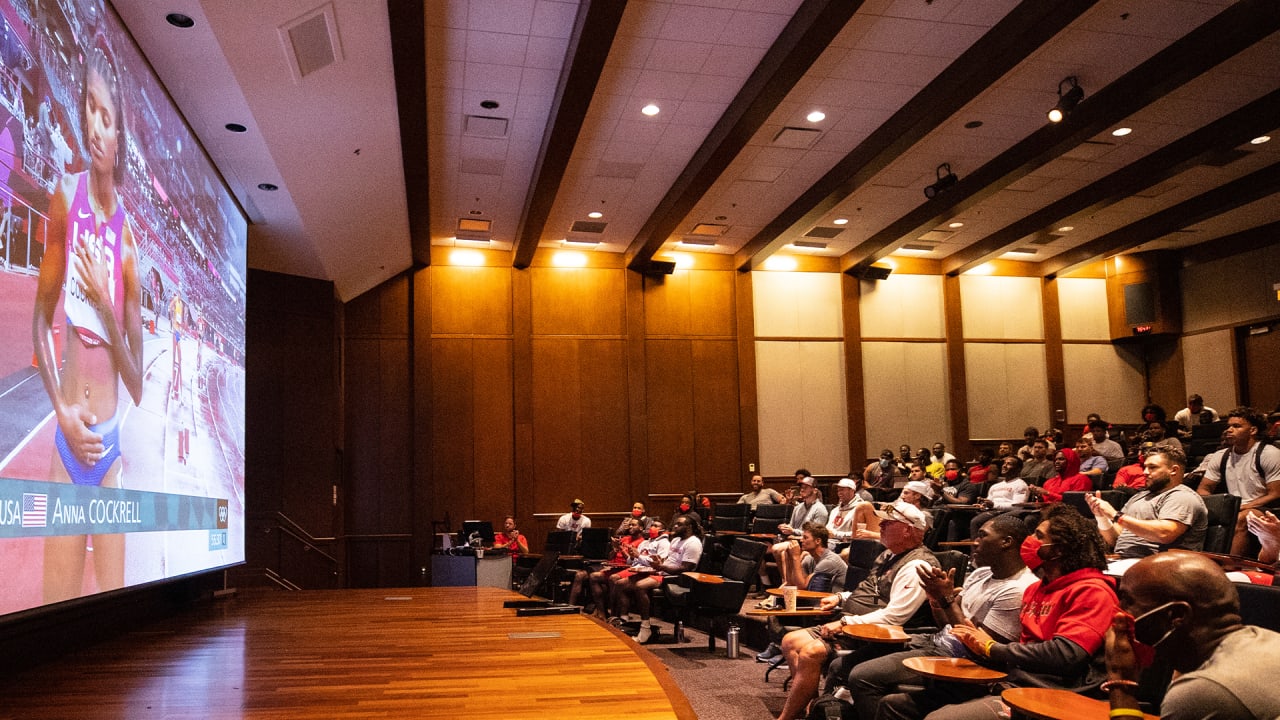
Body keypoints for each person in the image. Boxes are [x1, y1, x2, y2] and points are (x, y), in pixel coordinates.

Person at [34, 37, 144, 604]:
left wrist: (104, 301)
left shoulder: (128, 246)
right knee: (54, 608)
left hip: (108, 451)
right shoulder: (63, 199)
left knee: (116, 610)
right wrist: (60, 408)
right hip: (66, 444)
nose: (95, 127)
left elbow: (139, 386)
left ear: (120, 133)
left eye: (107, 116)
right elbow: (39, 320)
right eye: (89, 110)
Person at [876, 505, 1118, 720]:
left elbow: (1067, 654)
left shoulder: (1092, 591)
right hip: (1011, 680)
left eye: (1038, 536)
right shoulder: (1036, 589)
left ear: (1059, 550)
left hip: (1054, 691)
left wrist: (992, 647)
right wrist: (943, 604)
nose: (1029, 541)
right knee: (895, 705)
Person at [838, 515, 1037, 720]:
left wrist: (947, 600)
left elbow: (980, 650)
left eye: (982, 536)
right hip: (936, 641)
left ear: (1006, 542)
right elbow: (947, 624)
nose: (974, 542)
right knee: (842, 665)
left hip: (964, 659)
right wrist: (936, 600)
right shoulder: (981, 574)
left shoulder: (1017, 589)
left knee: (862, 677)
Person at [773, 502, 937, 720]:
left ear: (907, 530)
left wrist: (844, 623)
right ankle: (814, 708)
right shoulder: (889, 555)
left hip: (876, 634)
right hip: (852, 622)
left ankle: (789, 716)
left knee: (810, 652)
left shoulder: (918, 566)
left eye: (888, 523)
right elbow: (871, 590)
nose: (880, 525)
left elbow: (895, 616)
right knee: (790, 641)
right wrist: (840, 597)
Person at [1103, 552, 1280, 720]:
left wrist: (1120, 683)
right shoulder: (1269, 640)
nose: (1119, 609)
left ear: (1177, 615)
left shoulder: (1203, 691)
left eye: (1128, 600)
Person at [1085, 440, 1207, 558]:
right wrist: (1102, 517)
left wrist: (1115, 515)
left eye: (1152, 467)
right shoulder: (1139, 497)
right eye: (1145, 467)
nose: (1145, 472)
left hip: (1162, 564)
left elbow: (1164, 534)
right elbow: (1114, 539)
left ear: (1173, 470)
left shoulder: (1182, 496)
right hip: (1123, 560)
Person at [1196, 406, 1280, 555]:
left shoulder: (1269, 454)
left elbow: (1275, 494)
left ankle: (1230, 566)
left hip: (1266, 508)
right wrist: (1216, 507)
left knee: (1241, 518)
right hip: (1233, 507)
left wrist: (1243, 506)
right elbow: (1204, 489)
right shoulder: (1220, 456)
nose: (1229, 430)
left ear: (1253, 430)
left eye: (1236, 426)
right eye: (1228, 426)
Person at [627, 514, 702, 643]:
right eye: (675, 523)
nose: (675, 526)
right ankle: (623, 622)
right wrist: (658, 562)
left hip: (677, 578)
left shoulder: (693, 543)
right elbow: (668, 560)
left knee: (640, 586)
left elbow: (685, 568)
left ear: (689, 527)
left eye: (679, 524)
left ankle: (645, 628)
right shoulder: (676, 540)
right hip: (663, 571)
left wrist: (661, 567)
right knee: (623, 582)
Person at [968, 456, 1029, 538]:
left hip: (1005, 514)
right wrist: (983, 506)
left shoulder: (1020, 485)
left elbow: (1018, 507)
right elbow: (988, 503)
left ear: (1018, 469)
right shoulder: (995, 486)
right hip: (990, 511)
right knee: (962, 517)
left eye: (1009, 464)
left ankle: (977, 546)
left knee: (977, 521)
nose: (1004, 466)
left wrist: (993, 505)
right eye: (1004, 463)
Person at [780, 523, 848, 593]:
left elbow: (802, 587)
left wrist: (796, 557)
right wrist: (789, 558)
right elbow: (793, 584)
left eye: (805, 538)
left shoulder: (829, 561)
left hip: (836, 598)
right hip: (817, 596)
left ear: (818, 541)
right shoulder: (809, 559)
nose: (801, 540)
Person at [1027, 448, 1091, 503]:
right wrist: (1039, 496)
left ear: (1071, 461)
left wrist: (1047, 493)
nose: (1056, 462)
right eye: (1055, 460)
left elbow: (1074, 502)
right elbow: (1043, 503)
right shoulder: (1049, 482)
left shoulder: (1081, 479)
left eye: (1061, 459)